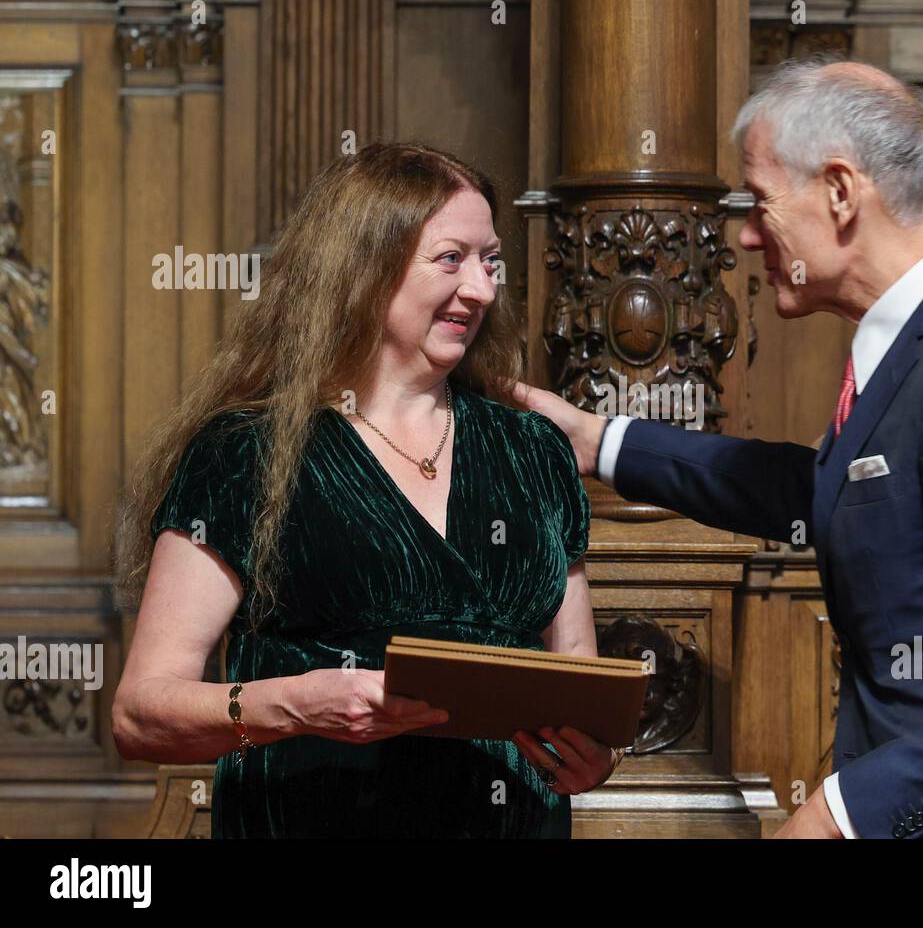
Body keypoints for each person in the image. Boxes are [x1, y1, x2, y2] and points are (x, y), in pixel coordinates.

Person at [517, 58, 923, 838]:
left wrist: (841, 810)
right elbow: (838, 493)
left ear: (839, 190)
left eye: (759, 204)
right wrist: (601, 440)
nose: (747, 236)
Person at [113, 142, 617, 838]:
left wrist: (592, 758)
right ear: (365, 268)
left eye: (489, 260)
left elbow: (579, 686)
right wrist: (294, 707)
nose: (483, 288)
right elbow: (140, 715)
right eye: (452, 259)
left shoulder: (533, 450)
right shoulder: (243, 453)